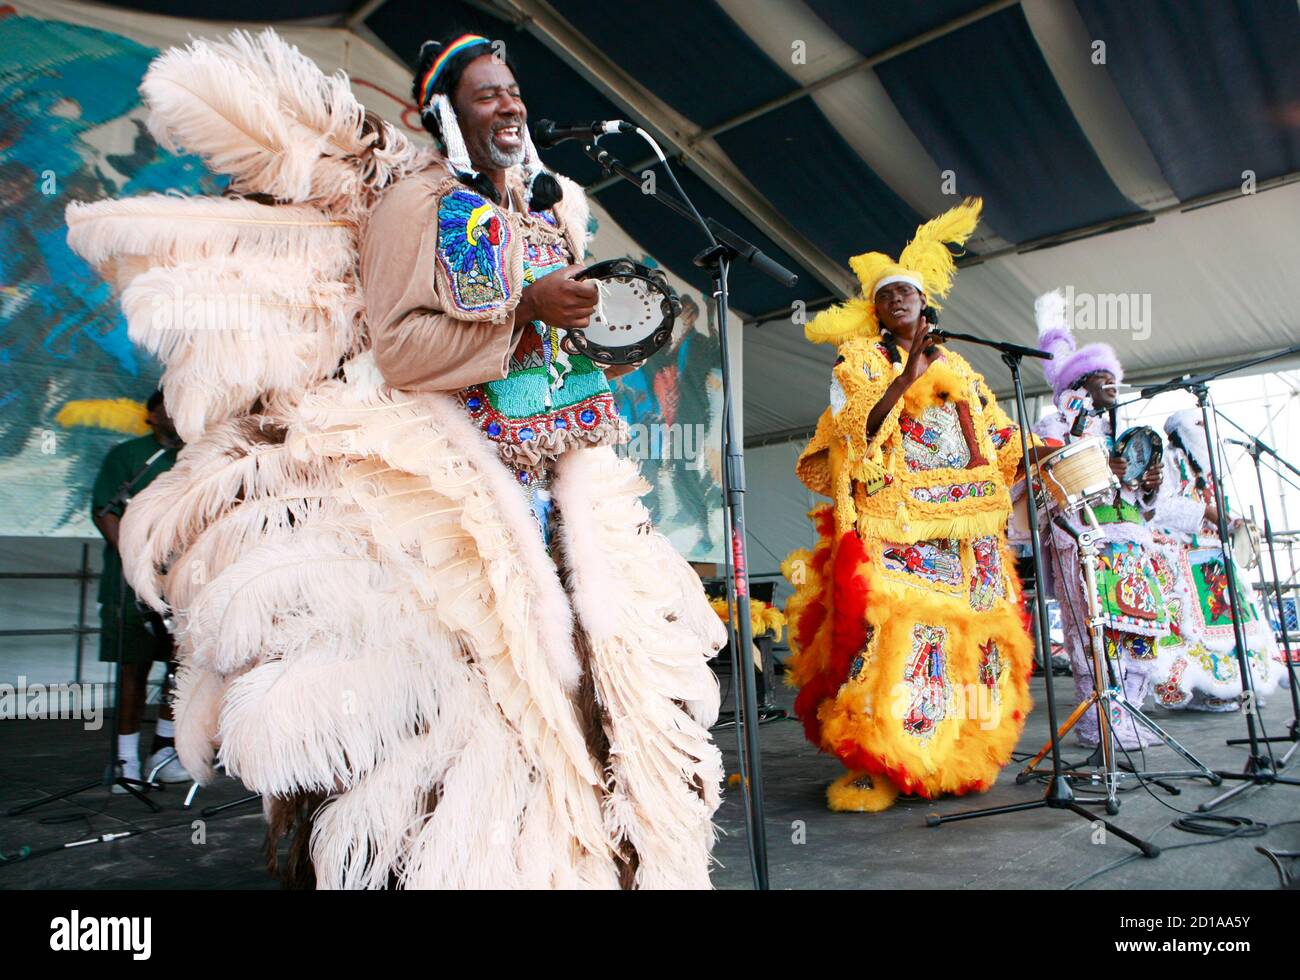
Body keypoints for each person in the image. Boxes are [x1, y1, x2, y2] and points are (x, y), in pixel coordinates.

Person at [72, 29, 724, 889]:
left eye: (515, 91)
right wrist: (525, 307)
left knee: (611, 693)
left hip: (567, 483)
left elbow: (550, 356)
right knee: (497, 712)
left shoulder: (542, 211)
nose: (511, 105)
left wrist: (602, 329)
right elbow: (405, 349)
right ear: (443, 111)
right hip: (461, 491)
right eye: (489, 93)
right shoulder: (420, 203)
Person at [782, 198, 1035, 812]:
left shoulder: (966, 368)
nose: (899, 302)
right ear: (875, 310)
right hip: (896, 528)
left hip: (969, 533)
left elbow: (997, 436)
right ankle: (886, 759)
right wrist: (907, 373)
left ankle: (952, 760)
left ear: (926, 305)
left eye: (908, 294)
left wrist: (1034, 451)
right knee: (897, 641)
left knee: (977, 644)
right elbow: (853, 433)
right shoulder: (859, 362)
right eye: (887, 295)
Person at [1033, 290, 1170, 748]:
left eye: (1114, 378)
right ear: (1079, 384)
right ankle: (1098, 724)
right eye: (1101, 378)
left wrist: (1149, 484)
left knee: (1138, 630)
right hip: (1087, 541)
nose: (1112, 384)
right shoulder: (1056, 425)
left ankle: (1130, 715)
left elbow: (1149, 504)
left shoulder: (1124, 431)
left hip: (1131, 541)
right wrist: (1096, 469)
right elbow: (1045, 483)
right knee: (1094, 633)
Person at [1147, 410, 1284, 711]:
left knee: (1234, 629)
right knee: (1193, 633)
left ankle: (1238, 688)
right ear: (1180, 433)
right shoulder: (1167, 461)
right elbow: (1158, 508)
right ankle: (1202, 692)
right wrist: (1204, 513)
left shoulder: (1210, 472)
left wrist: (1234, 521)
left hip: (1215, 561)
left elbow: (1219, 509)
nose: (1206, 429)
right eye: (1198, 424)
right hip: (1181, 561)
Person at [90, 390, 189, 790]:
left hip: (183, 583)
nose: (180, 412)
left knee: (182, 667)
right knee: (134, 668)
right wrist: (135, 561)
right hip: (129, 584)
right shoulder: (128, 455)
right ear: (151, 415)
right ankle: (125, 761)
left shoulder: (198, 458)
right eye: (171, 405)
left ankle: (163, 751)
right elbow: (104, 510)